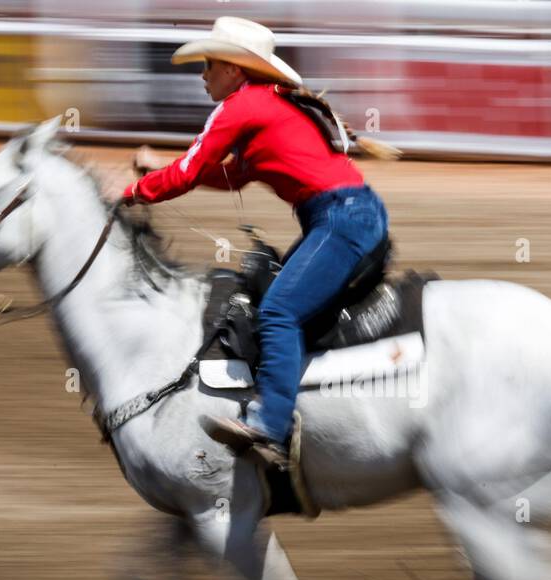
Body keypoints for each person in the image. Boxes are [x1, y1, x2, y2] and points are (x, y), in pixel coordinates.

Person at [119, 17, 393, 468]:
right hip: (347, 216)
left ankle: (273, 430)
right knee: (280, 304)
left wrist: (131, 191)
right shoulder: (268, 103)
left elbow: (190, 171)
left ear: (234, 69)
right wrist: (157, 170)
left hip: (342, 221)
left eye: (209, 64)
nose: (203, 74)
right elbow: (233, 175)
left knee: (279, 311)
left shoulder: (240, 107)